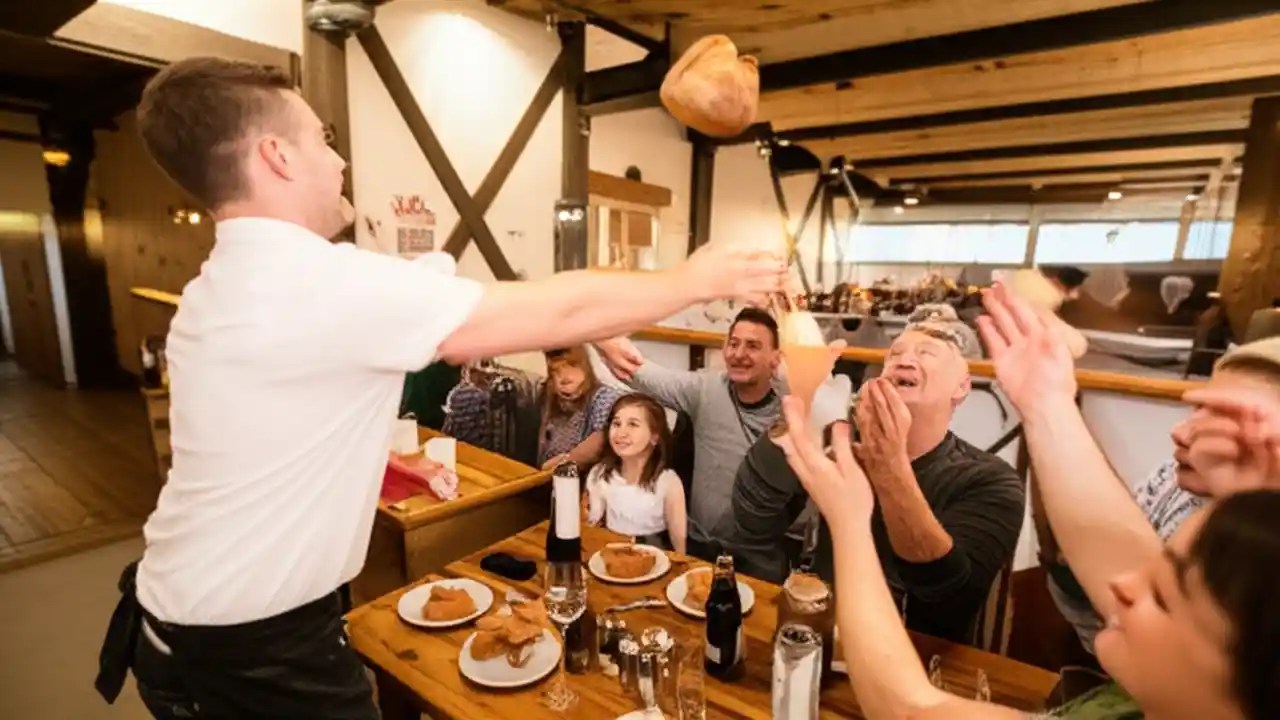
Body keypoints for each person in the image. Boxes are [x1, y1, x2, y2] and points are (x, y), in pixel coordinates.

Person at [94, 57, 786, 719]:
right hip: (252, 647)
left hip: (179, 622)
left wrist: (381, 460)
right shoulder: (316, 282)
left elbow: (253, 438)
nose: (338, 160)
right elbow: (553, 309)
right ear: (276, 155)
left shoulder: (220, 287)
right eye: (322, 139)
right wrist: (694, 280)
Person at [773, 283, 1280, 720]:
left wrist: (852, 516)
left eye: (1165, 597)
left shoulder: (985, 479)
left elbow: (910, 706)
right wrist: (1046, 402)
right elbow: (1121, 554)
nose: (1122, 586)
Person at [729, 318, 1025, 644]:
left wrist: (886, 463)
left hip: (918, 665)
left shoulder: (991, 481)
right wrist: (799, 405)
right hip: (823, 643)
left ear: (962, 386)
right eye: (894, 354)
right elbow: (753, 521)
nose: (905, 359)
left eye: (926, 352)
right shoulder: (841, 449)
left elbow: (948, 596)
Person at [1043, 336, 1280, 655]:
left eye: (1226, 424)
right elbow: (1105, 618)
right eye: (1200, 408)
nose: (1180, 432)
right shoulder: (1172, 480)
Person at [595, 307, 785, 560]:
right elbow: (637, 371)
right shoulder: (705, 390)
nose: (739, 354)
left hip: (757, 553)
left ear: (775, 357)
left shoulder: (791, 407)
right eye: (733, 343)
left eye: (752, 346)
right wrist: (592, 330)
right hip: (701, 543)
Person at [586, 393, 688, 554]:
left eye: (633, 424)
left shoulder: (668, 482)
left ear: (654, 436)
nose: (621, 432)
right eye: (616, 423)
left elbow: (679, 542)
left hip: (656, 557)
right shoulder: (599, 474)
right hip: (612, 553)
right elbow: (591, 525)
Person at [538, 346, 625, 471]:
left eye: (571, 366)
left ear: (585, 367)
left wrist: (563, 463)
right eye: (556, 371)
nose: (564, 375)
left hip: (583, 480)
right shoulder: (551, 398)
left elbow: (601, 439)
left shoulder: (603, 397)